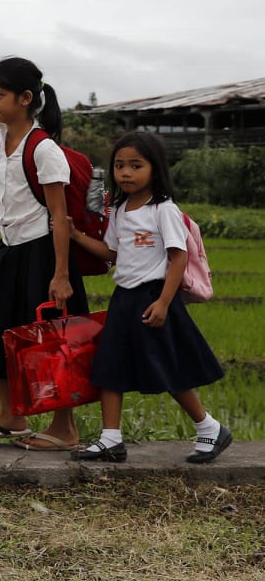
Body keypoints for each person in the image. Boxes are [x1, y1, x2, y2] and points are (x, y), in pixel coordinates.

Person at [0, 57, 89, 450]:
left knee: (52, 342)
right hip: (7, 253)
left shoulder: (43, 149)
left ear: (26, 98)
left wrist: (60, 275)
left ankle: (65, 428)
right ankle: (12, 416)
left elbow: (60, 218)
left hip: (43, 257)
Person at [68, 132, 228, 463]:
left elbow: (178, 257)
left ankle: (209, 428)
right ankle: (111, 438)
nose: (125, 173)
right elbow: (110, 251)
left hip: (153, 297)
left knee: (167, 367)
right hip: (124, 297)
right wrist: (76, 235)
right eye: (119, 165)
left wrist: (164, 303)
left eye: (135, 166)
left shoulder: (163, 209)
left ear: (155, 169)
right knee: (108, 364)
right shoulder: (120, 209)